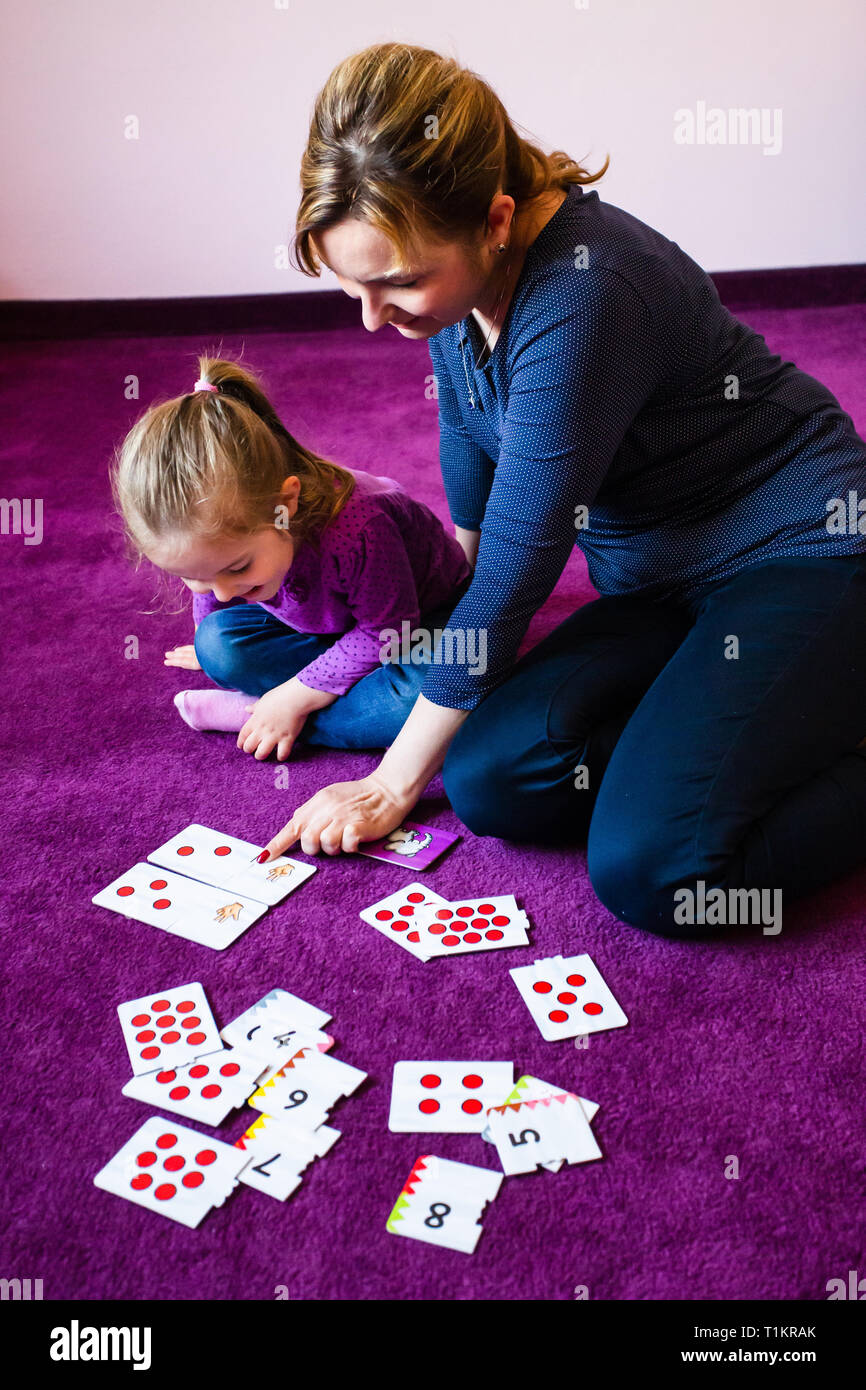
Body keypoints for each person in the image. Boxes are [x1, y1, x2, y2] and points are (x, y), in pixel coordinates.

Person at [259, 40, 866, 938]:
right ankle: (773, 731)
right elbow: (470, 446)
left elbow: (515, 568)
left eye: (394, 285)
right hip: (662, 581)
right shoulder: (455, 277)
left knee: (658, 870)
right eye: (351, 285)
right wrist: (423, 616)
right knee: (492, 778)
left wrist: (391, 781)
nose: (373, 317)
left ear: (496, 218)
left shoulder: (589, 289)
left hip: (805, 552)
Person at [111, 354, 472, 761]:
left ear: (286, 503)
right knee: (218, 645)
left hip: (414, 623)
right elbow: (217, 599)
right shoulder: (231, 557)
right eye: (199, 579)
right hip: (330, 625)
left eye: (237, 568)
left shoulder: (360, 529)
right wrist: (206, 636)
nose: (224, 594)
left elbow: (388, 631)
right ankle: (317, 698)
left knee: (421, 696)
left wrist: (295, 696)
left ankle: (250, 711)